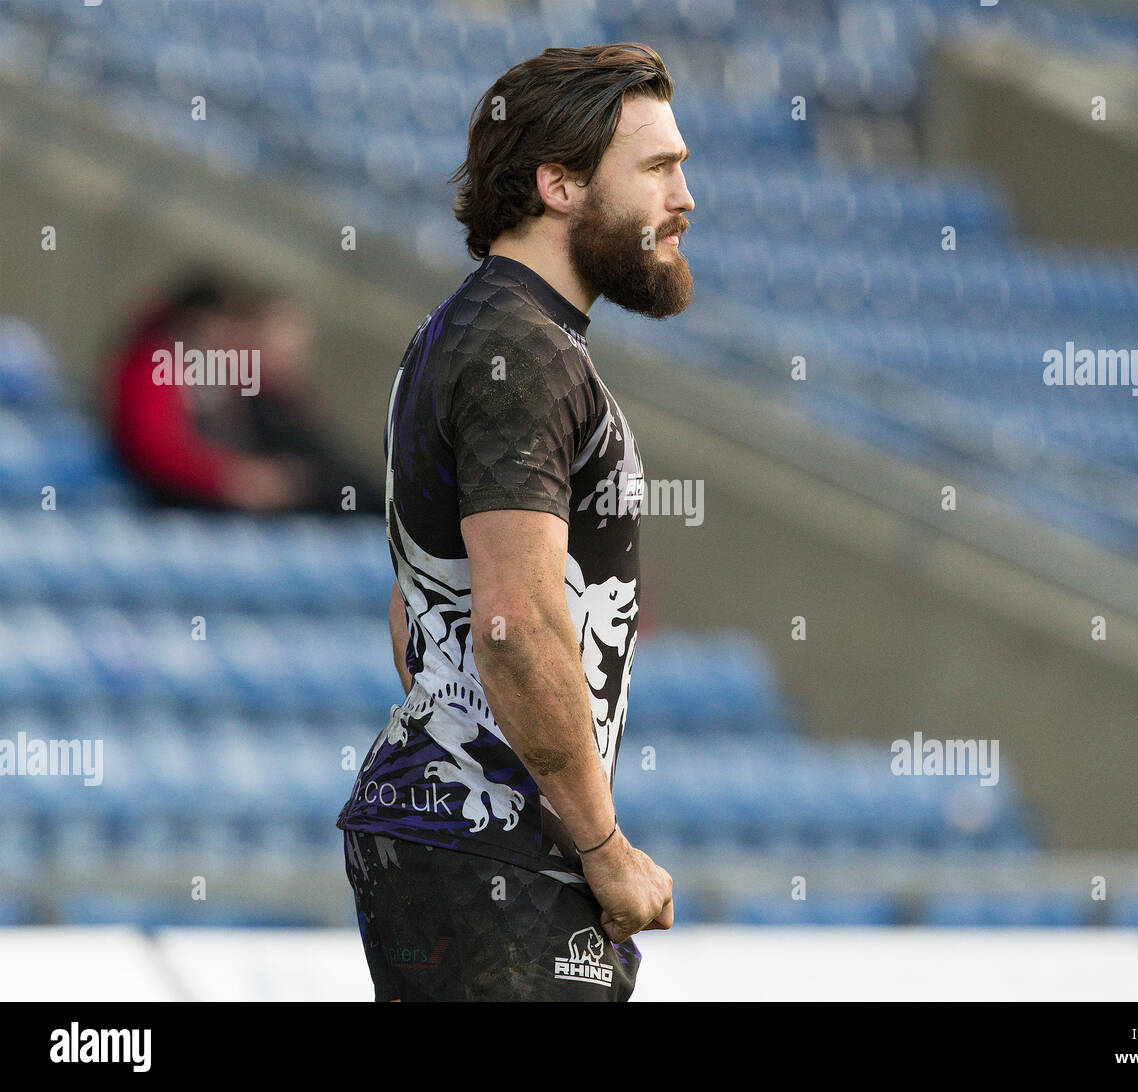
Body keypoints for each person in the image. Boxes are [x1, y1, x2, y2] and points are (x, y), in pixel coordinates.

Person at [337, 42, 695, 1001]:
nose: (684, 198)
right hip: (494, 842)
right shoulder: (519, 349)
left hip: (464, 830)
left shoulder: (472, 331)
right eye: (658, 167)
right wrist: (603, 844)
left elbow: (414, 619)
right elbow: (511, 624)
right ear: (559, 184)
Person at [105, 273, 384, 514]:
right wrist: (231, 478)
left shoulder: (216, 368)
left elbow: (281, 407)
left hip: (237, 482)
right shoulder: (157, 362)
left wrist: (291, 387)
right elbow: (155, 450)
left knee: (325, 472)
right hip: (188, 495)